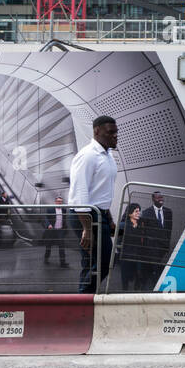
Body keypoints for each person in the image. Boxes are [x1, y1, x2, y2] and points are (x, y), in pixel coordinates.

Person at [68, 115, 118, 294]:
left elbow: (103, 192)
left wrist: (109, 218)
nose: (115, 135)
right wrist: (87, 229)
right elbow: (80, 194)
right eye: (110, 132)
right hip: (86, 215)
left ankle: (83, 302)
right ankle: (83, 298)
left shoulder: (108, 155)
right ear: (97, 131)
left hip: (99, 214)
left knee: (91, 263)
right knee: (104, 262)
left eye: (116, 132)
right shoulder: (88, 155)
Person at [117, 203, 145, 291]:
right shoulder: (122, 225)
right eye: (136, 211)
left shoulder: (141, 225)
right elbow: (118, 242)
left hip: (138, 256)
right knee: (125, 278)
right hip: (126, 257)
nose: (139, 213)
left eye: (139, 211)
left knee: (139, 276)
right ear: (129, 213)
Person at [43, 196, 71, 267]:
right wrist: (48, 224)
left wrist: (65, 228)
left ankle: (62, 263)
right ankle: (46, 258)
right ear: (55, 202)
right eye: (58, 201)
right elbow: (46, 218)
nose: (59, 203)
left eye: (61, 202)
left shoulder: (64, 210)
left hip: (60, 230)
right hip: (51, 230)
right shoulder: (50, 209)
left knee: (62, 246)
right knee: (48, 246)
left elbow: (63, 219)